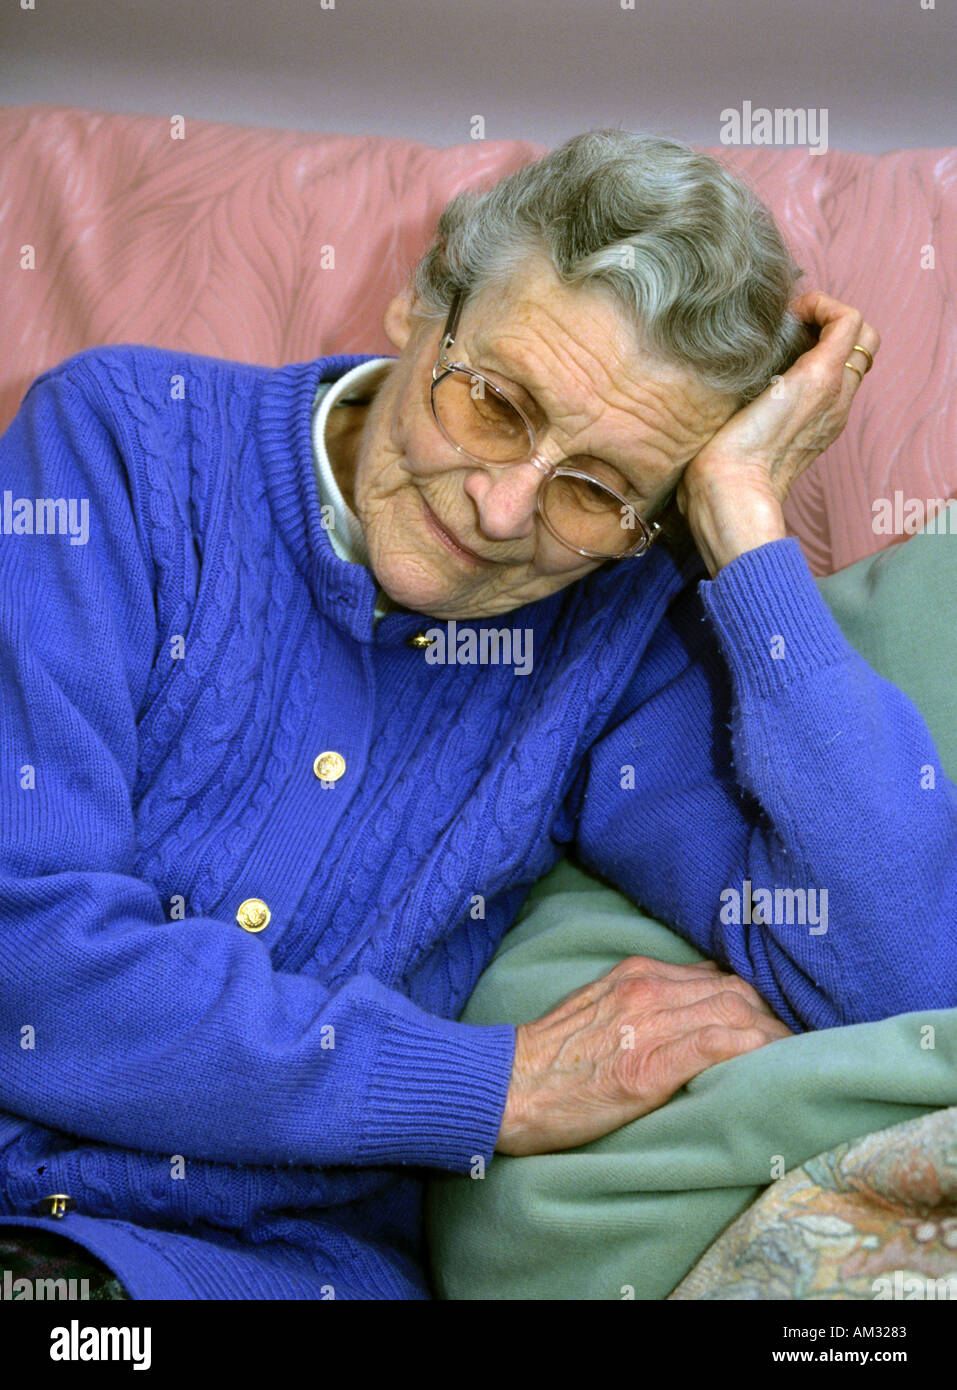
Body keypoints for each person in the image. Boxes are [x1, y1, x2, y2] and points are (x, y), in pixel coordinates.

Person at [0, 129, 952, 1301]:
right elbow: (27, 951)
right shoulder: (121, 445)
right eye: (495, 405)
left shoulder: (617, 633)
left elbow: (908, 972)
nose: (506, 511)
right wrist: (489, 1085)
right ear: (420, 301)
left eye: (597, 489)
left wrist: (747, 530)